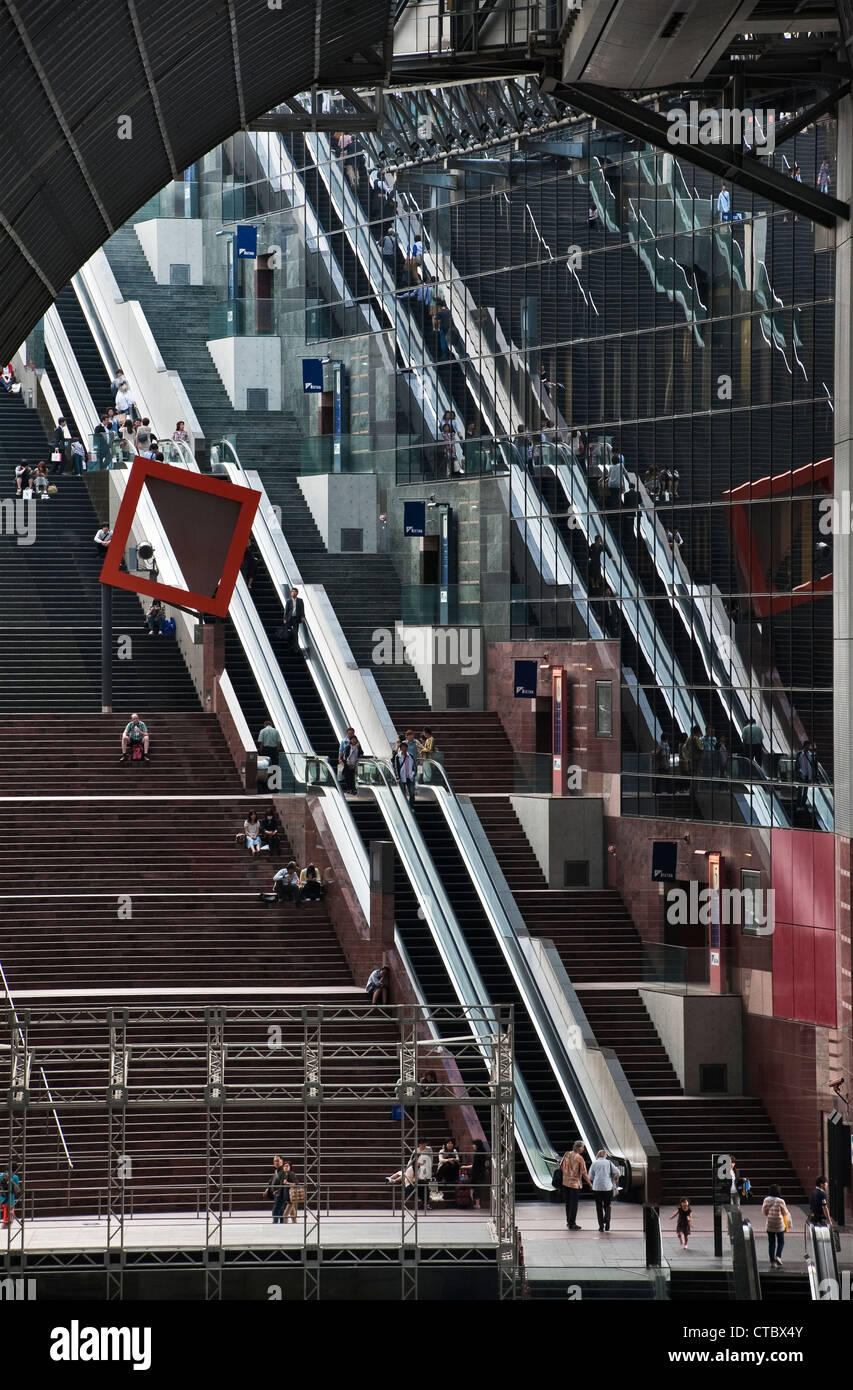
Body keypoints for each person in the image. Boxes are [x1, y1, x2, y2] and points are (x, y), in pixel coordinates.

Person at [587, 1149, 621, 1232]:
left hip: (597, 1187)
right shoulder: (608, 1163)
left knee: (598, 1206)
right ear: (605, 1155)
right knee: (607, 1205)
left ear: (598, 1155)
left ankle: (601, 1226)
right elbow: (617, 1172)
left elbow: (590, 1176)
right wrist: (615, 1177)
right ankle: (608, 1222)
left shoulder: (594, 1163)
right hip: (607, 1187)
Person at [560, 1140, 591, 1230]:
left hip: (565, 1182)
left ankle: (568, 1222)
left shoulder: (567, 1154)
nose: (583, 1149)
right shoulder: (579, 1158)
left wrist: (566, 1174)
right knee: (574, 1204)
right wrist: (590, 1183)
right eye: (582, 1147)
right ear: (579, 1148)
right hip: (574, 1184)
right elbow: (584, 1173)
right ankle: (572, 1223)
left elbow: (562, 1166)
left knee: (568, 1203)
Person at [762, 1185, 791, 1267]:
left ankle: (772, 1262)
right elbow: (785, 1213)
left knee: (771, 1243)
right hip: (779, 1224)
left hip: (770, 1224)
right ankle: (778, 1256)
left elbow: (764, 1212)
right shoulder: (781, 1201)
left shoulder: (766, 1200)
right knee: (781, 1241)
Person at [463, 1139, 490, 1209]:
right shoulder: (483, 1153)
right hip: (481, 1172)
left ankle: (476, 1202)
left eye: (474, 1144)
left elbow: (475, 1165)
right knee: (476, 1187)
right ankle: (475, 1201)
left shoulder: (477, 1154)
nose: (473, 1146)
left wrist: (465, 1167)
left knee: (475, 1187)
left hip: (476, 1173)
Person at [395, 732, 417, 807]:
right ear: (400, 748)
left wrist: (413, 774)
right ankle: (404, 806)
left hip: (410, 776)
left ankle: (411, 805)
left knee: (411, 792)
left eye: (405, 747)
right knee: (403, 792)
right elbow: (396, 767)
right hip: (402, 776)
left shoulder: (410, 756)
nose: (404, 749)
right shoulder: (398, 756)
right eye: (402, 747)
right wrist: (398, 777)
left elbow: (413, 766)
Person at [266, 1154, 288, 1224]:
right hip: (277, 1194)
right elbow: (272, 1181)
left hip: (280, 1194)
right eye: (274, 1161)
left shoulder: (283, 1171)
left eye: (277, 1161)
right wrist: (268, 1189)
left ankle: (275, 1223)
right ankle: (281, 1224)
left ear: (282, 1161)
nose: (276, 1162)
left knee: (275, 1210)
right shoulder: (277, 1171)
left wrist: (278, 1190)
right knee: (281, 1210)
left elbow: (284, 1183)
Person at [795, 739, 817, 808]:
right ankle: (798, 804)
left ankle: (802, 804)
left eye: (808, 746)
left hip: (808, 775)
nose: (807, 747)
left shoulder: (812, 755)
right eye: (806, 746)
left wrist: (814, 776)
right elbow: (797, 765)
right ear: (804, 746)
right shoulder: (800, 755)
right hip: (802, 775)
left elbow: (814, 766)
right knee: (800, 790)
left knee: (805, 791)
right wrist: (798, 772)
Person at [338, 728, 360, 794]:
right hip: (346, 760)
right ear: (347, 733)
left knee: (353, 775)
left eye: (352, 733)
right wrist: (339, 758)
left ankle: (353, 788)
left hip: (354, 761)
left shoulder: (356, 742)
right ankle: (349, 788)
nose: (351, 734)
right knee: (347, 775)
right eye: (349, 733)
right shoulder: (344, 741)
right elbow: (341, 750)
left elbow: (360, 752)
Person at [283, 587, 304, 653]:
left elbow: (302, 610)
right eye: (292, 591)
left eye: (294, 591)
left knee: (295, 633)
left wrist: (303, 616)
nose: (293, 593)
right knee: (289, 633)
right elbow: (286, 610)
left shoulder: (300, 601)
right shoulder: (288, 601)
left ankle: (296, 647)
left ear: (297, 593)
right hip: (289, 619)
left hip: (296, 619)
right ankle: (289, 645)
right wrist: (285, 618)